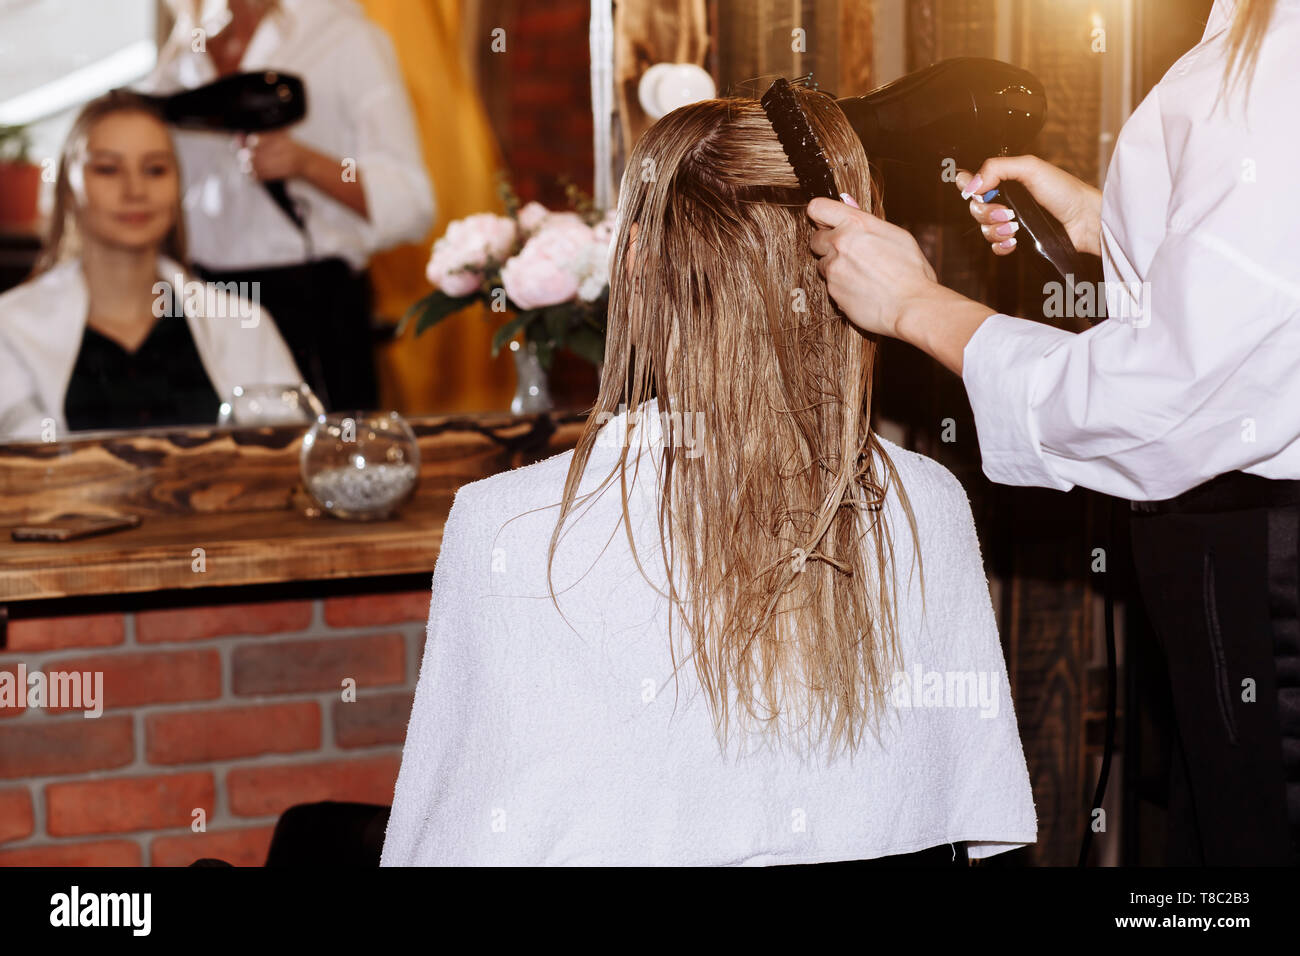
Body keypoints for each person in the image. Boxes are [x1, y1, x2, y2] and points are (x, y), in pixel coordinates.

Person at [382, 88, 1037, 866]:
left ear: (633, 263)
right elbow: (966, 823)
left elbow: (455, 844)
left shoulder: (510, 529)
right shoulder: (928, 504)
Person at [806, 0, 1299, 865]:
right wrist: (1110, 225)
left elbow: (1170, 396)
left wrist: (921, 307)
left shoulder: (1281, 51)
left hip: (1267, 571)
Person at [138, 0, 436, 412]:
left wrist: (306, 164)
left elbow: (411, 201)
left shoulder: (346, 39)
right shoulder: (183, 56)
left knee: (331, 462)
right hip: (203, 302)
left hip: (313, 304)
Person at [0, 90, 301, 441]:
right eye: (108, 169)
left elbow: (294, 461)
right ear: (68, 187)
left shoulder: (245, 327)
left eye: (155, 169)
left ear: (177, 187)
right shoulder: (10, 331)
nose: (135, 189)